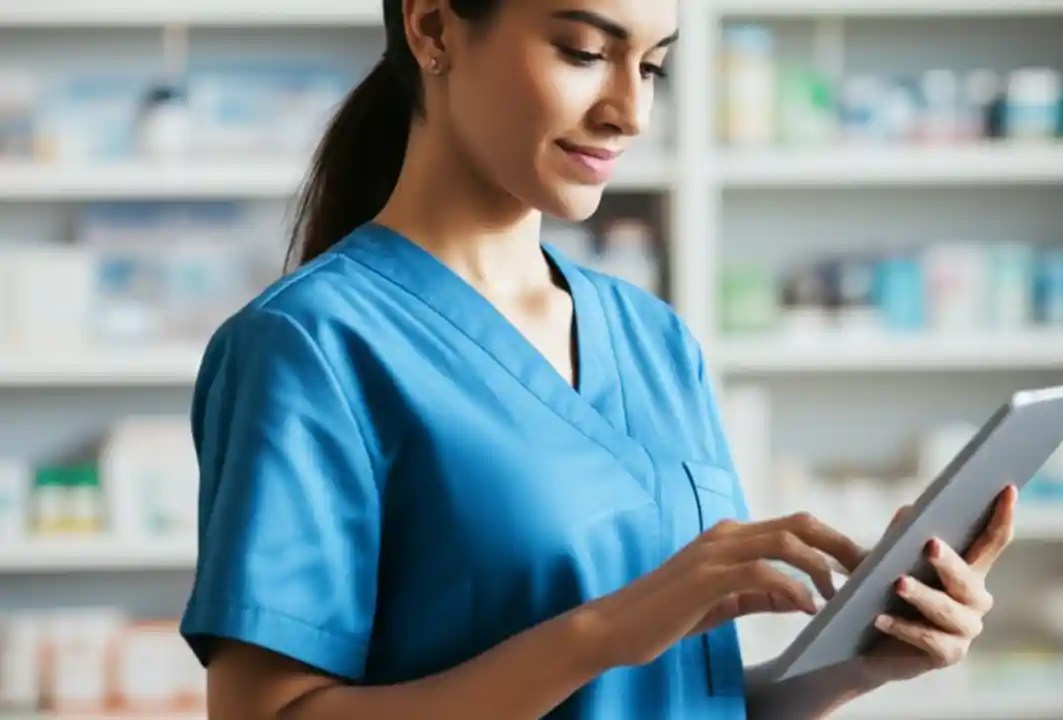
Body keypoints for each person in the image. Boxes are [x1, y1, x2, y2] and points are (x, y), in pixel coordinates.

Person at [179, 1, 1018, 718]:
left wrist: (858, 661)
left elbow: (681, 699)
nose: (631, 111)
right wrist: (602, 632)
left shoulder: (655, 341)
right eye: (585, 52)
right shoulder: (309, 347)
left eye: (651, 67)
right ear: (434, 25)